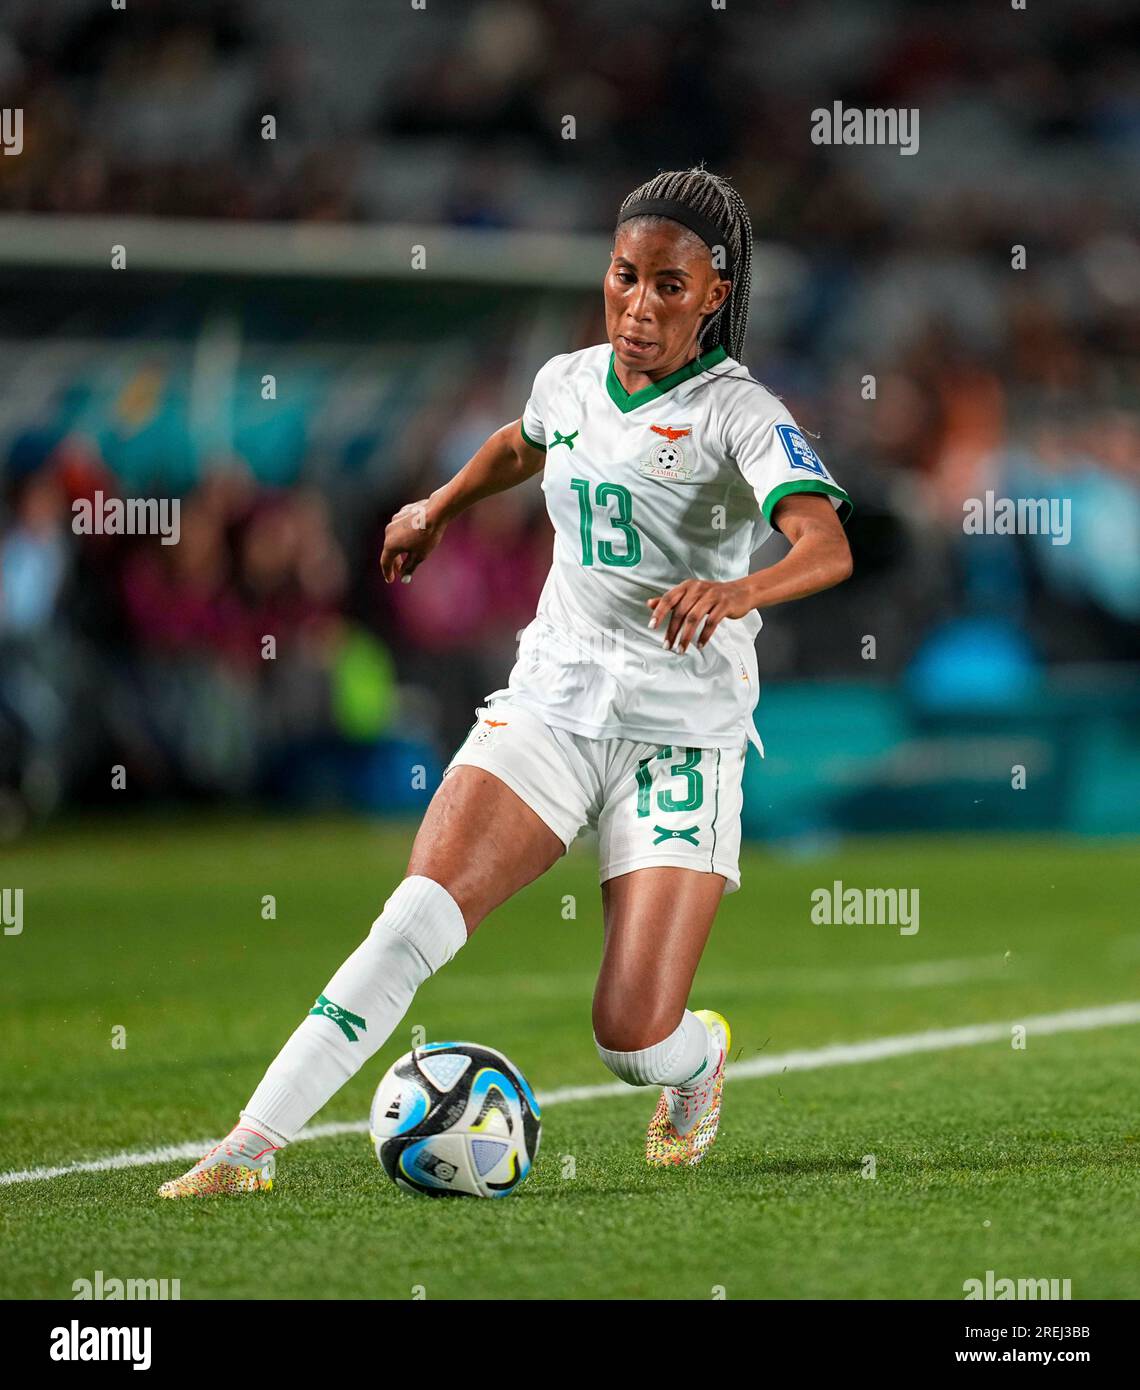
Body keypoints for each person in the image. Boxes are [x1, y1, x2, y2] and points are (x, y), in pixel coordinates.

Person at [159, 166, 853, 1196]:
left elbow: (826, 542)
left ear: (716, 294)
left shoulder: (740, 413)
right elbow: (519, 446)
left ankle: (698, 1061)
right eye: (626, 277)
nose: (640, 304)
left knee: (628, 1036)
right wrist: (434, 508)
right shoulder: (568, 380)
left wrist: (740, 587)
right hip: (554, 701)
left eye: (672, 285)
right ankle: (246, 1148)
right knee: (413, 917)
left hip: (682, 734)